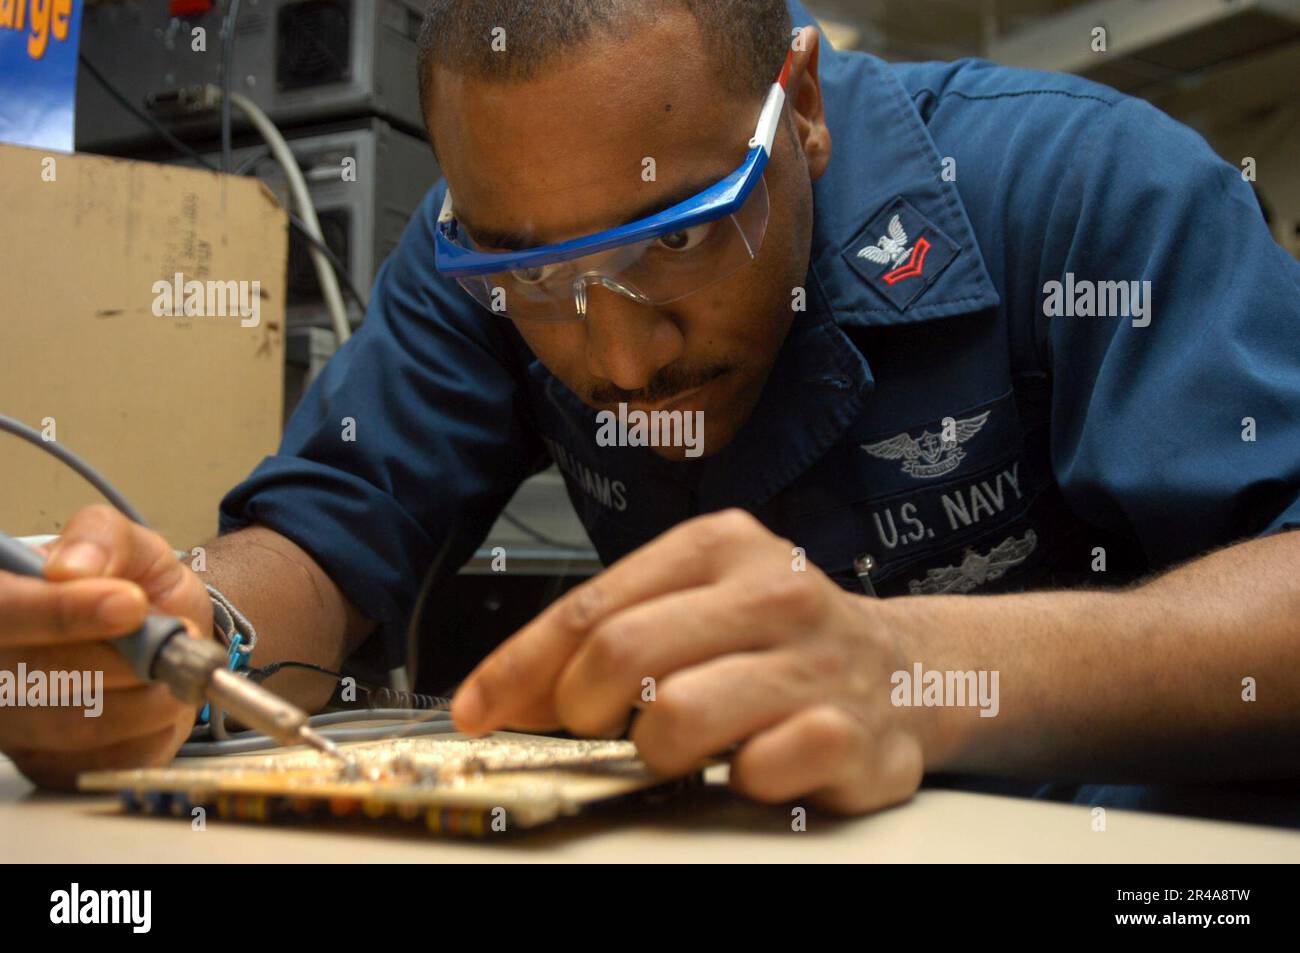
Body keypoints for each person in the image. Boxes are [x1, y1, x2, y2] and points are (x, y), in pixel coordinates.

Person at [3, 0, 1298, 823]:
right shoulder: (479, 253)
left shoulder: (1089, 188)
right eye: (532, 276)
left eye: (679, 238)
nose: (614, 354)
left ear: (801, 109)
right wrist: (176, 641)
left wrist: (917, 669)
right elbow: (333, 527)